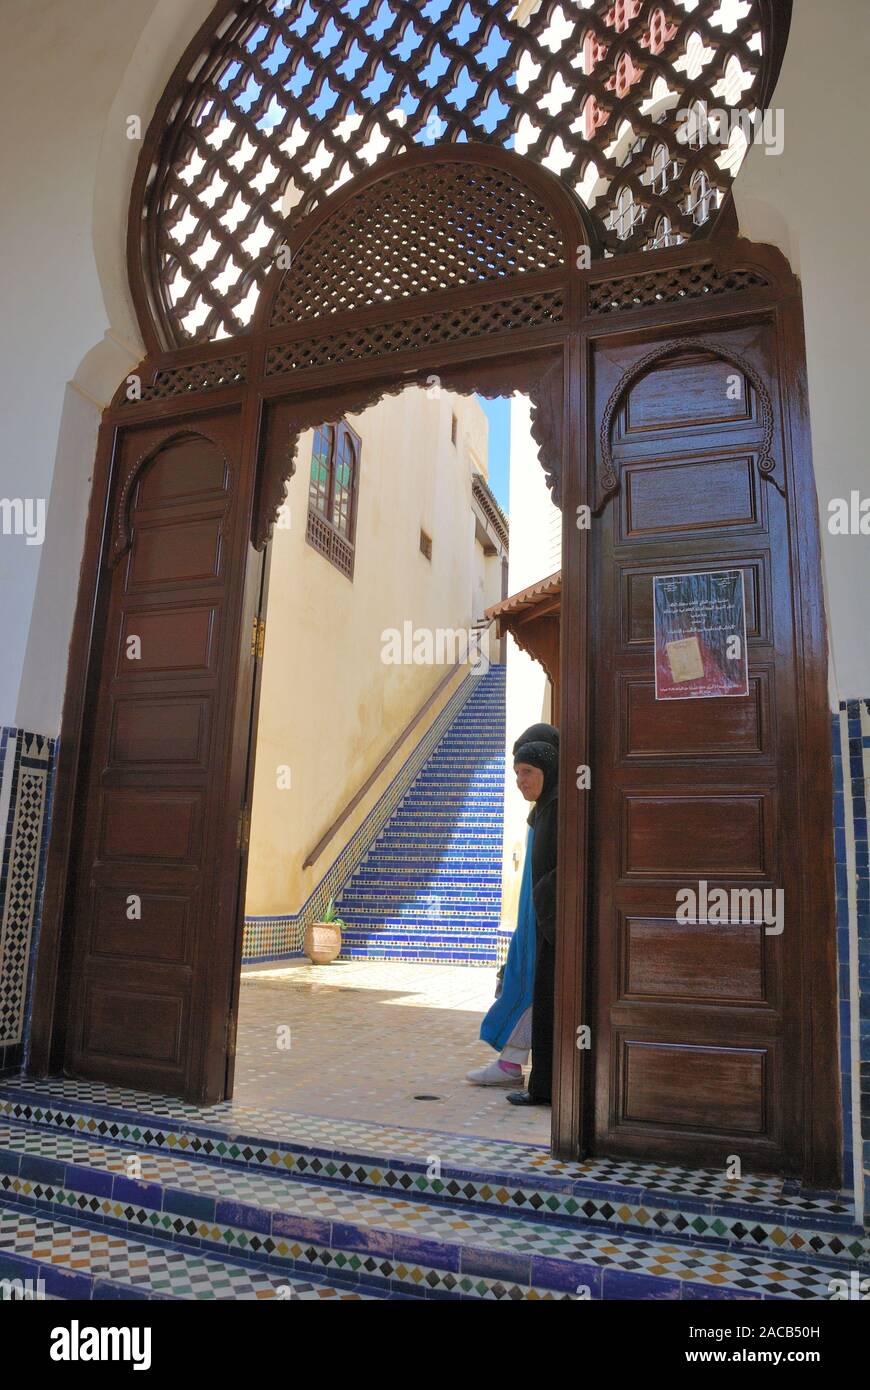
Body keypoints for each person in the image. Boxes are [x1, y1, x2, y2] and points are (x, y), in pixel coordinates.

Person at [466, 723, 559, 1102]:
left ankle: (516, 1069)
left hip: (545, 924)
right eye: (516, 772)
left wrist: (546, 923)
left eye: (528, 772)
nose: (520, 780)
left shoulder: (556, 809)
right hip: (536, 921)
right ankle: (513, 1065)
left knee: (530, 989)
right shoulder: (543, 810)